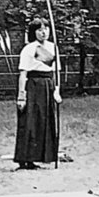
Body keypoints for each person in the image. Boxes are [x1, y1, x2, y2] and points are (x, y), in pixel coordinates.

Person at [14, 18, 61, 169]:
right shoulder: (29, 49)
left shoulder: (53, 47)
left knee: (45, 121)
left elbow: (56, 72)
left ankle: (42, 156)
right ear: (34, 32)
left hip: (48, 86)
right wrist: (21, 96)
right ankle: (25, 159)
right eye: (39, 30)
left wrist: (57, 91)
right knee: (30, 122)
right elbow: (23, 74)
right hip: (33, 86)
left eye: (46, 29)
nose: (43, 32)